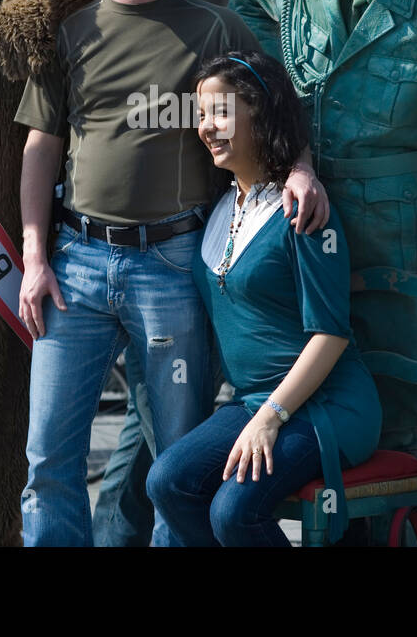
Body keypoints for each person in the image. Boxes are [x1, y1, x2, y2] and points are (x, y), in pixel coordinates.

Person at [14, 0, 321, 547]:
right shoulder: (71, 31)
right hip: (76, 266)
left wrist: (299, 169)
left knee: (176, 460)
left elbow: (279, 112)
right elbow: (40, 146)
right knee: (47, 459)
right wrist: (34, 258)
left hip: (172, 265)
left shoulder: (215, 28)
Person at [228, 0, 417, 456]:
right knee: (307, 377)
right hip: (303, 213)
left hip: (393, 226)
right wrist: (275, 104)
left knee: (398, 395)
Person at [148, 51, 381, 546]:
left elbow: (332, 334)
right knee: (167, 481)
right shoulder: (218, 209)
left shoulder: (305, 212)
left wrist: (271, 418)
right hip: (252, 402)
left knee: (233, 511)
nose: (207, 127)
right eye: (201, 114)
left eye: (222, 112)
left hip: (329, 405)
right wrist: (259, 414)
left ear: (262, 111)